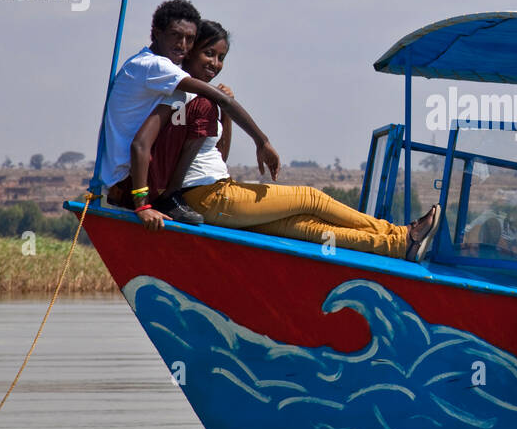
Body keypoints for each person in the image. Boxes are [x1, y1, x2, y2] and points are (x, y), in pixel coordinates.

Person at [163, 20, 441, 261]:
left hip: (213, 194)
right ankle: (399, 233)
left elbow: (218, 158)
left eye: (220, 57)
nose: (215, 64)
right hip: (210, 197)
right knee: (311, 198)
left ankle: (396, 245)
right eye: (208, 54)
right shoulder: (187, 95)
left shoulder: (203, 97)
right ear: (190, 52)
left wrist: (227, 111)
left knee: (303, 226)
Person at [97, 0, 281, 231]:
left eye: (189, 39)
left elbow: (220, 150)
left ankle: (171, 194)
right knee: (203, 102)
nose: (182, 45)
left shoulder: (153, 70)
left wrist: (224, 112)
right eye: (176, 35)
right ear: (156, 33)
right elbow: (140, 145)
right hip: (128, 182)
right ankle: (170, 196)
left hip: (128, 179)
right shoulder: (155, 67)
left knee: (204, 103)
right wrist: (261, 141)